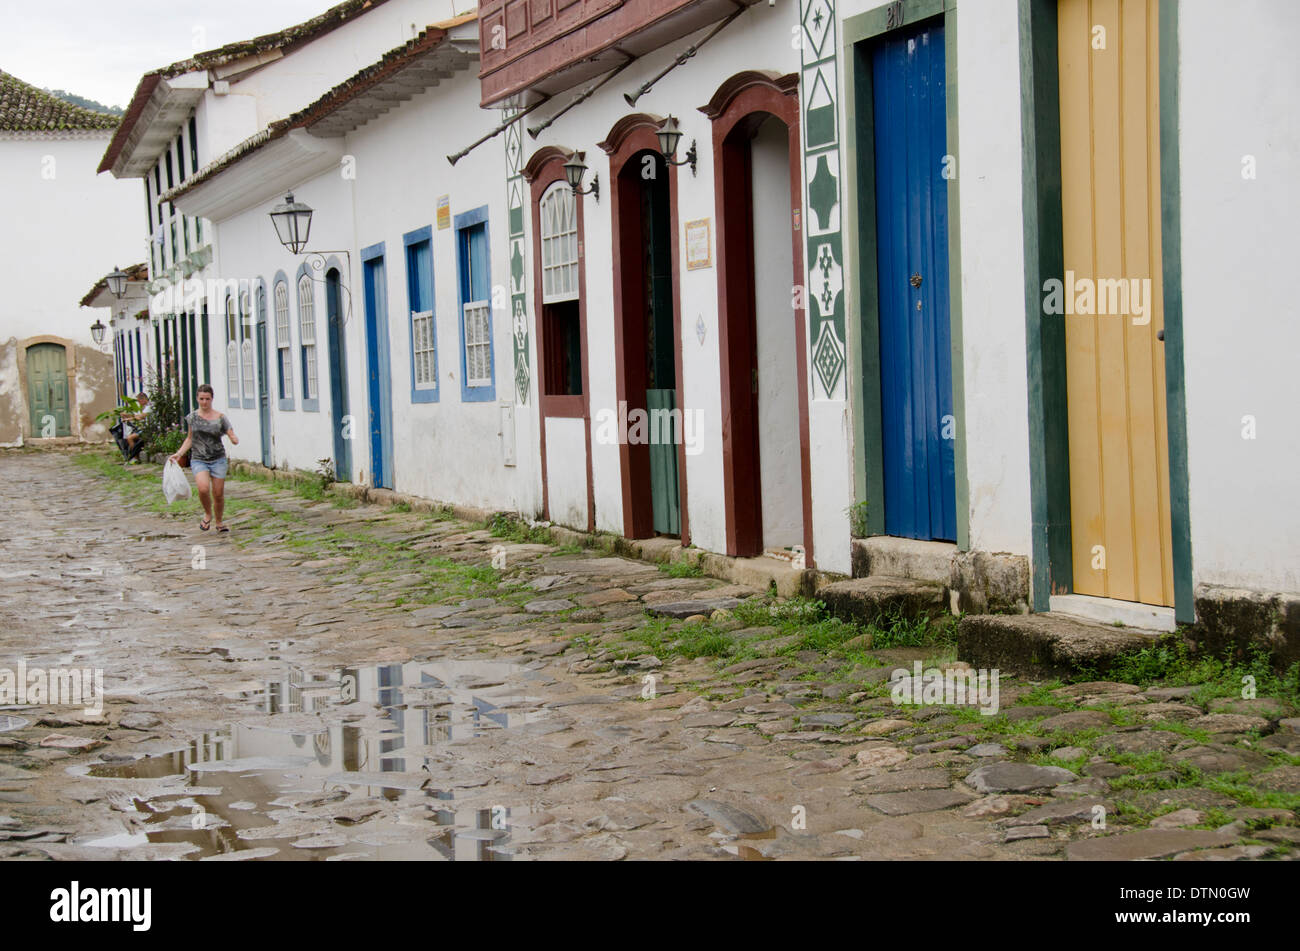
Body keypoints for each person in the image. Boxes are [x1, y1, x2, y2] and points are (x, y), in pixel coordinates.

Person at [169, 384, 239, 532]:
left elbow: (230, 431)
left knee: (218, 493)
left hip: (218, 458)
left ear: (212, 399)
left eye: (207, 399)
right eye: (201, 399)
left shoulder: (220, 418)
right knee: (203, 488)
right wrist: (179, 453)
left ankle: (219, 522)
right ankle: (208, 514)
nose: (204, 402)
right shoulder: (192, 417)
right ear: (197, 399)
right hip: (199, 458)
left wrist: (233, 437)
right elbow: (190, 438)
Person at [122, 392, 150, 461]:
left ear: (144, 399)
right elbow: (138, 416)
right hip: (145, 428)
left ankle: (135, 457)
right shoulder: (146, 407)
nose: (139, 403)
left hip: (148, 429)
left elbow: (141, 417)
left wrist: (129, 418)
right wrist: (128, 416)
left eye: (139, 401)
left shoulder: (149, 407)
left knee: (130, 438)